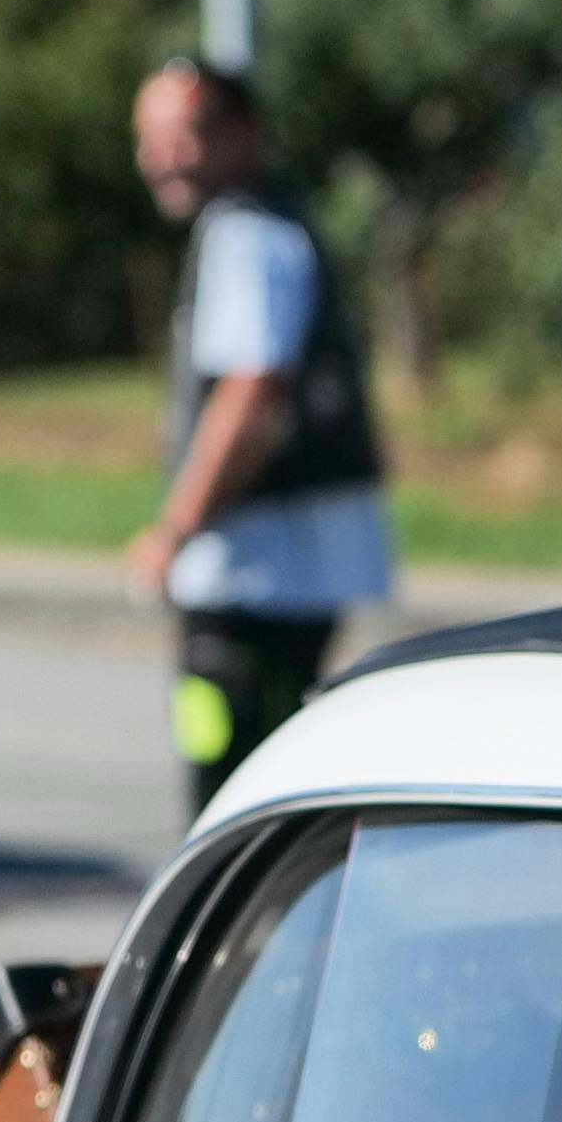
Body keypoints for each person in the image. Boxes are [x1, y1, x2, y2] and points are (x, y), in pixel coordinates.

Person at [119, 58, 386, 810]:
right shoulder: (272, 220)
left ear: (242, 136)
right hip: (286, 566)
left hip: (256, 573)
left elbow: (250, 390)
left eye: (186, 137)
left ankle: (233, 933)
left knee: (230, 797)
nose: (161, 159)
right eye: (150, 140)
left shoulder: (245, 233)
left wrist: (174, 529)